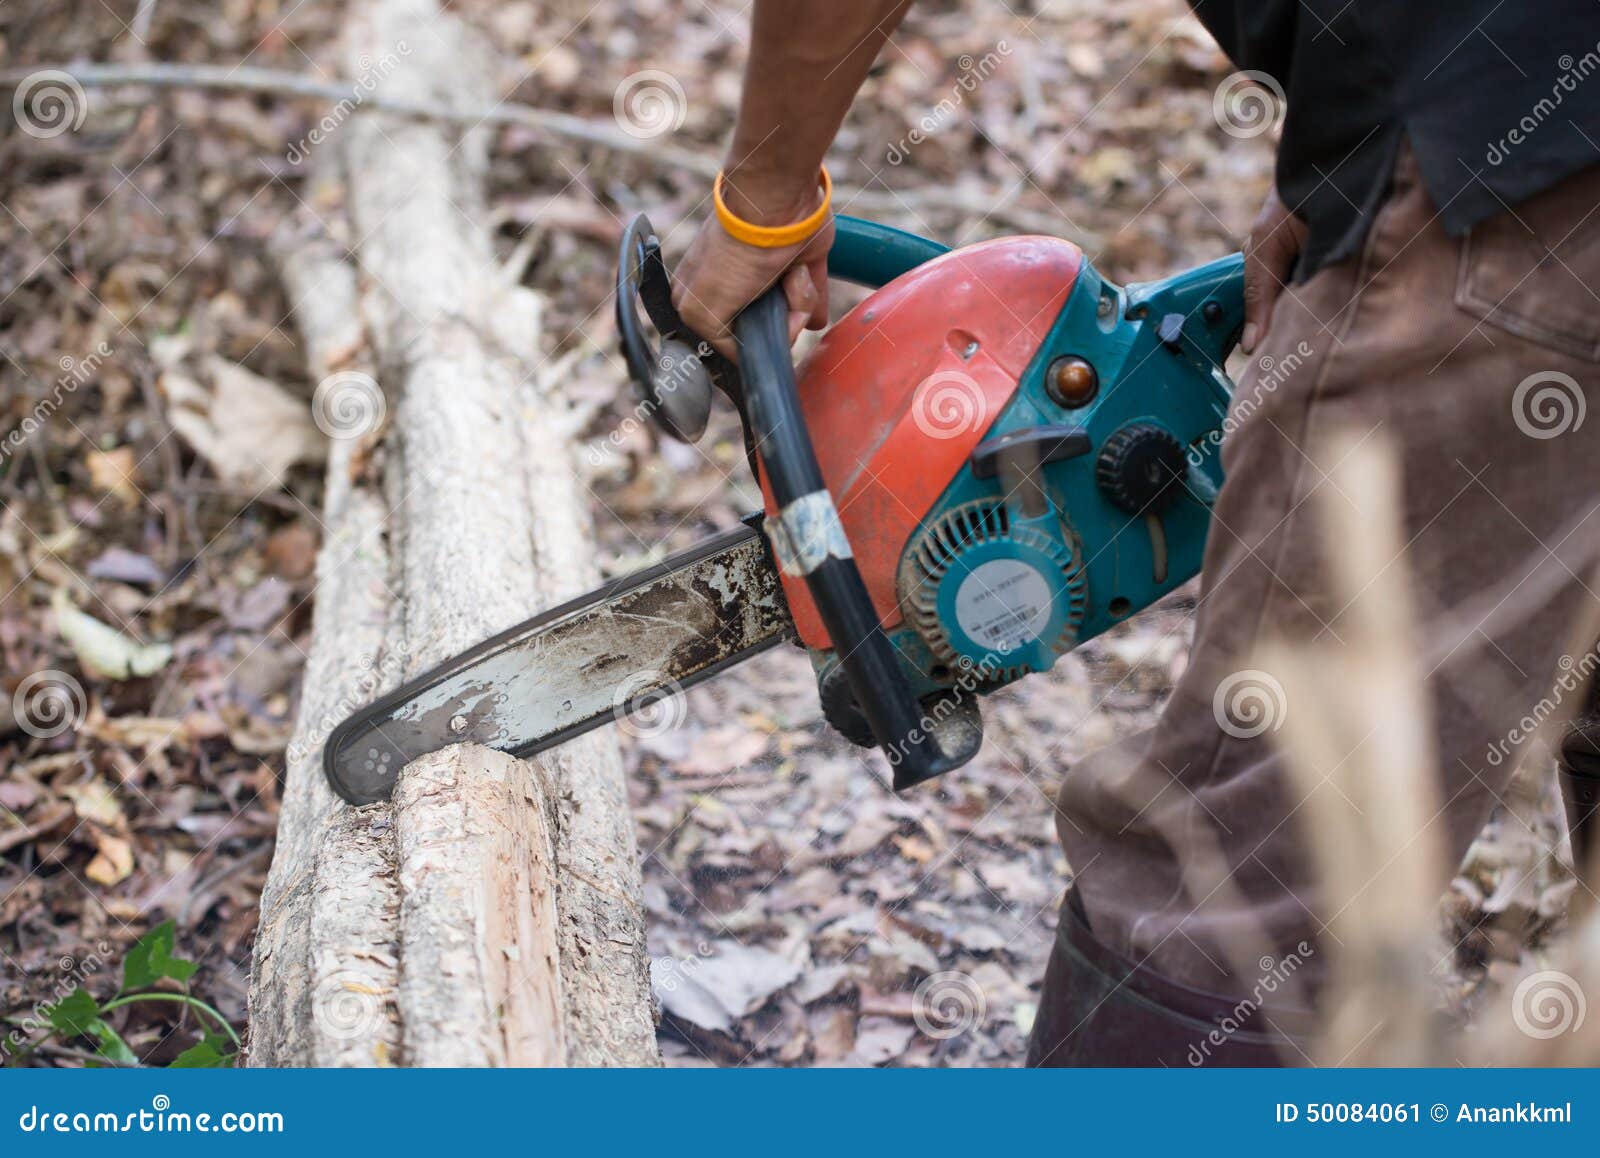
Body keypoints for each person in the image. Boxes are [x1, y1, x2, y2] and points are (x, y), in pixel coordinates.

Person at [671, 1, 1600, 1065]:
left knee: (1236, 882)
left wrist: (764, 203)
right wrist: (1350, 158)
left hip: (1522, 186)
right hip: (1510, 130)